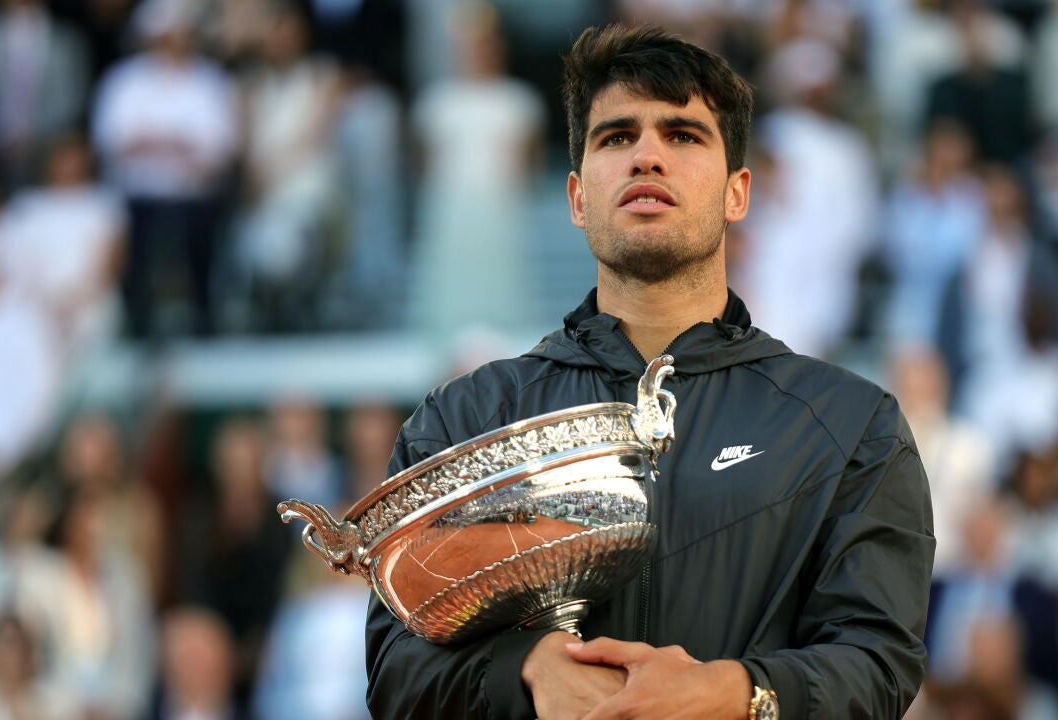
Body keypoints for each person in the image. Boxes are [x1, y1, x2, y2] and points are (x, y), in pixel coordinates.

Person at [365, 24, 935, 720]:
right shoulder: (464, 416)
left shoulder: (850, 425)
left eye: (683, 135)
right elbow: (396, 666)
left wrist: (735, 692)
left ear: (738, 193)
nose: (647, 157)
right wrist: (530, 671)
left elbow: (879, 662)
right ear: (576, 198)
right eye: (616, 137)